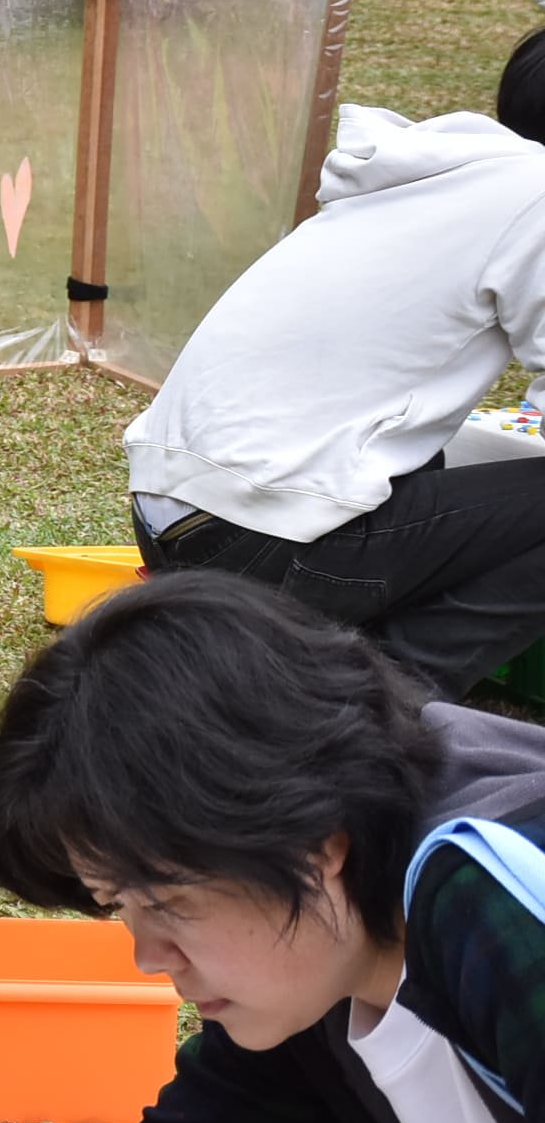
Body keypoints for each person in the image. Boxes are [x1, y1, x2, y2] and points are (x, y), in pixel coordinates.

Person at [0, 572, 545, 1123]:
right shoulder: (314, 970)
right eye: (118, 905)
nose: (148, 958)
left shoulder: (493, 892)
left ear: (317, 840)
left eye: (165, 901)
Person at [121, 39, 545, 700]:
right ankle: (386, 697)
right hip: (267, 540)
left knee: (439, 457)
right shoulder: (535, 196)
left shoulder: (439, 177)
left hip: (175, 523)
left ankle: (341, 666)